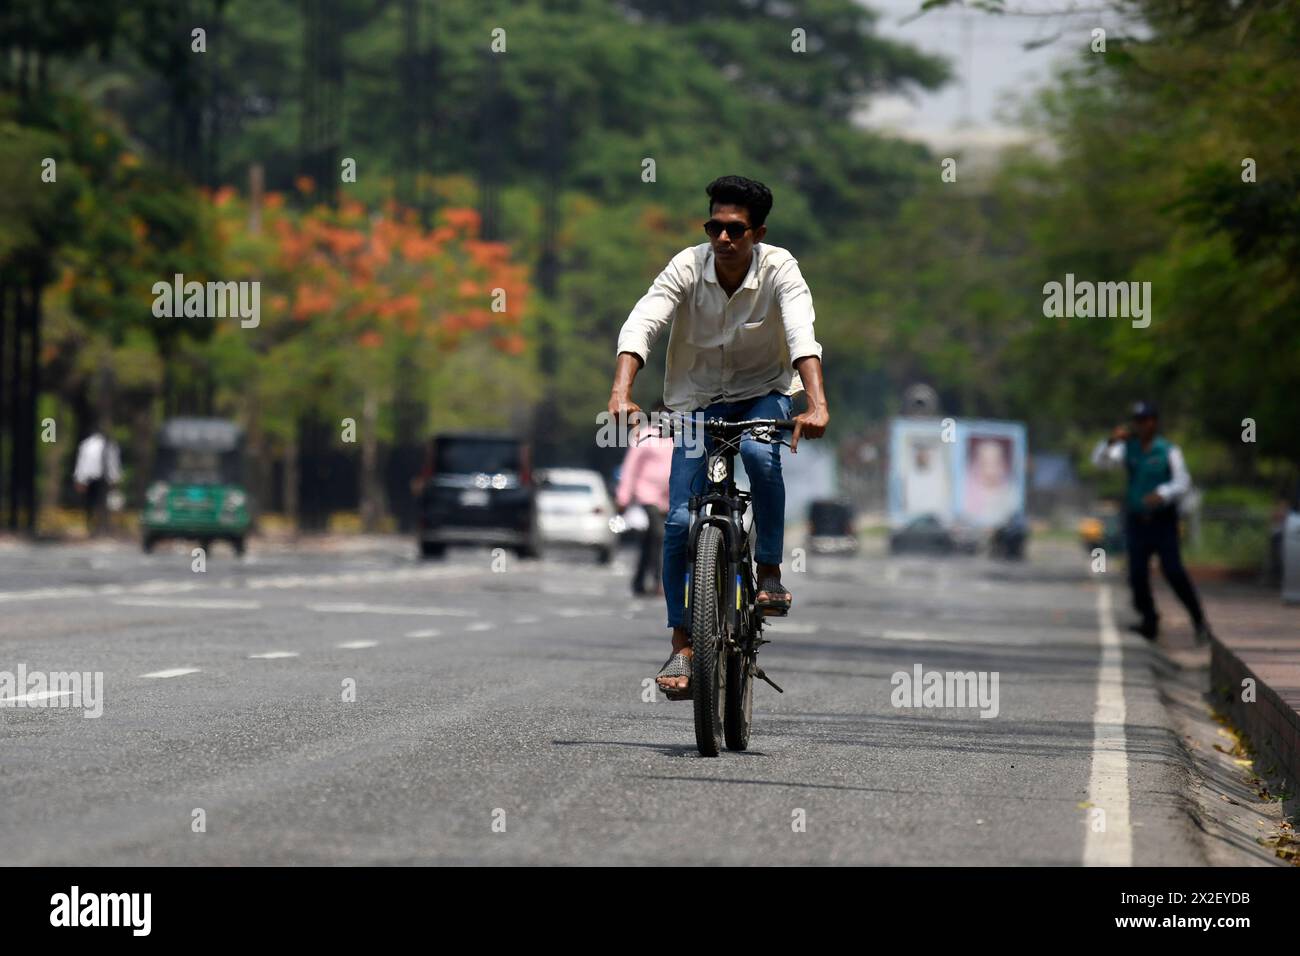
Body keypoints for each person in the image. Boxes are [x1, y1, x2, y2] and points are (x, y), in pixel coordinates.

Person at [607, 175, 830, 697]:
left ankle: (769, 571)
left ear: (758, 233)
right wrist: (621, 391)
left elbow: (802, 334)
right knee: (681, 521)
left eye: (735, 229)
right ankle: (682, 643)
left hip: (761, 393)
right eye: (715, 227)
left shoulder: (781, 269)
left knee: (758, 452)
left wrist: (816, 403)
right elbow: (644, 321)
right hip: (693, 400)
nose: (723, 239)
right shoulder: (686, 266)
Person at [1091, 401, 1213, 643]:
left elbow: (1183, 482)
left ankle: (1198, 620)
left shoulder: (1168, 450)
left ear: (1154, 422)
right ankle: (1149, 620)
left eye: (1145, 420)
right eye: (1137, 421)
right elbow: (1100, 462)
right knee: (1136, 574)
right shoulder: (1127, 448)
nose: (1141, 425)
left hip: (1162, 521)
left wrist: (1163, 493)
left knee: (1173, 571)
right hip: (1137, 521)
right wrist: (1110, 441)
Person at [616, 402, 674, 596]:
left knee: (651, 540)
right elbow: (630, 468)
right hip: (647, 495)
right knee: (658, 535)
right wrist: (623, 497)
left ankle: (639, 581)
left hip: (669, 498)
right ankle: (658, 581)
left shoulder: (678, 438)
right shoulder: (644, 435)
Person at [73, 421, 122, 538]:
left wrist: (80, 479)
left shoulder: (87, 445)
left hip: (93, 478)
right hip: (101, 478)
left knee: (93, 503)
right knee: (100, 504)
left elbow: (82, 463)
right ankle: (99, 525)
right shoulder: (109, 445)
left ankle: (93, 525)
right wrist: (115, 477)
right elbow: (113, 463)